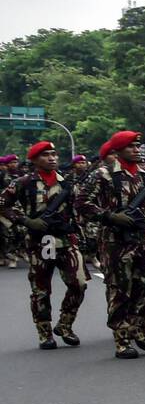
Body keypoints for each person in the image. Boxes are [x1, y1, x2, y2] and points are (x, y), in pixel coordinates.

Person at [81, 131, 145, 359]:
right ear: (118, 150)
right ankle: (121, 337)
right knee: (120, 288)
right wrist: (110, 216)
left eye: (137, 146)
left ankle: (139, 325)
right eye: (130, 146)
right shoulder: (103, 175)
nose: (136, 150)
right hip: (115, 240)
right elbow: (82, 203)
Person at [0, 140, 88, 348]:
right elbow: (3, 204)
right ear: (35, 159)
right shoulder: (24, 182)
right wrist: (25, 221)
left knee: (79, 283)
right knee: (41, 288)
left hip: (66, 240)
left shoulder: (66, 183)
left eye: (54, 154)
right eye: (46, 155)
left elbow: (77, 209)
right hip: (40, 242)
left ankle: (65, 323)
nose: (52, 158)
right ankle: (44, 332)